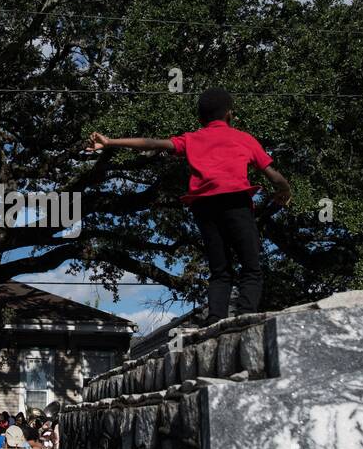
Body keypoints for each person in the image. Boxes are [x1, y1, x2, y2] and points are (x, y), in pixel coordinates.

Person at [87, 88, 291, 324]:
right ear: (230, 115)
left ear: (200, 119)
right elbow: (273, 175)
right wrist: (284, 190)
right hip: (236, 203)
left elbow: (153, 143)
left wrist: (110, 141)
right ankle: (244, 318)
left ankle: (216, 319)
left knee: (220, 270)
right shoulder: (243, 139)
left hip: (204, 207)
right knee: (251, 266)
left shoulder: (192, 139)